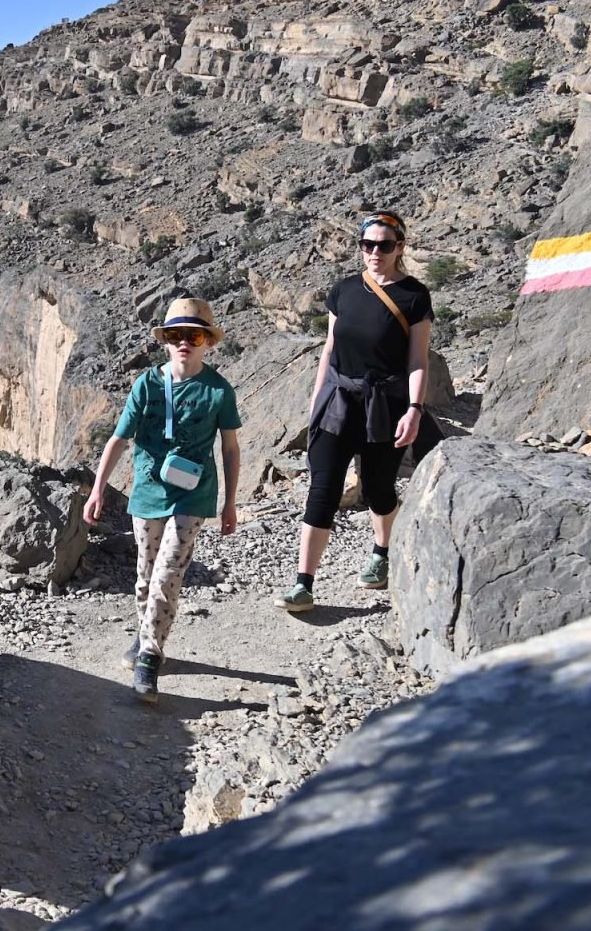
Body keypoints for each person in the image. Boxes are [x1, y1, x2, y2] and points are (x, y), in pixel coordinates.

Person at [84, 298, 242, 702]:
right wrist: (98, 487)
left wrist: (229, 502)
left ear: (208, 341)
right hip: (148, 493)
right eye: (176, 335)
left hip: (194, 496)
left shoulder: (218, 391)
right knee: (144, 575)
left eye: (194, 335)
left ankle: (151, 658)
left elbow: (230, 449)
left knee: (168, 573)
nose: (184, 342)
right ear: (165, 342)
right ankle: (145, 635)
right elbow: (119, 438)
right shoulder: (147, 385)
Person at [276, 210, 431, 613]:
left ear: (400, 247)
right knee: (322, 489)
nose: (374, 252)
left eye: (384, 245)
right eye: (367, 245)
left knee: (378, 489)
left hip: (386, 405)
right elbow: (329, 349)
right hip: (338, 402)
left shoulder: (414, 297)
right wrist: (316, 403)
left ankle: (382, 551)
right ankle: (303, 584)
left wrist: (414, 409)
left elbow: (418, 360)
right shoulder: (343, 290)